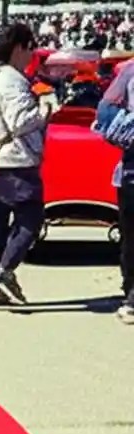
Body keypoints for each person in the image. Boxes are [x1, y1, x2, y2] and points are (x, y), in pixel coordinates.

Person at [0, 23, 53, 309]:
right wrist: (45, 106)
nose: (32, 54)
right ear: (19, 48)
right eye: (30, 47)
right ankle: (5, 270)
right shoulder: (12, 79)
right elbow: (21, 121)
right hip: (17, 161)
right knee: (31, 220)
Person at [106, 59, 134, 323]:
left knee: (131, 237)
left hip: (130, 172)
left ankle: (132, 298)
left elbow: (105, 111)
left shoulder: (130, 71)